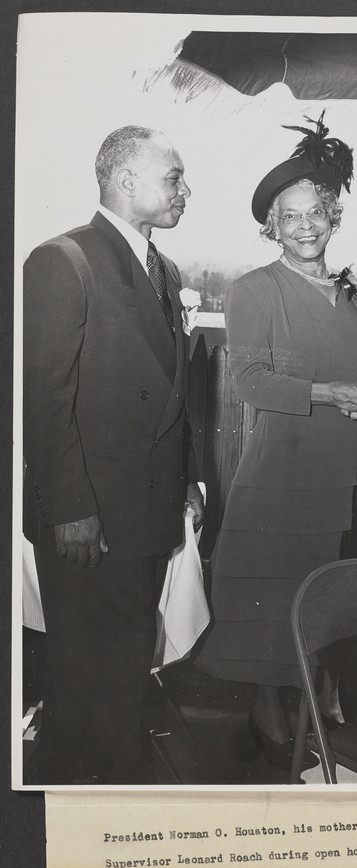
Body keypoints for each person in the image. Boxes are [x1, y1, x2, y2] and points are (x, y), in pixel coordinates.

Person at [195, 114, 357, 771]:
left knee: (322, 609)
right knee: (275, 613)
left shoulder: (351, 294)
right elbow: (250, 381)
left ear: (334, 219)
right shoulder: (255, 290)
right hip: (281, 482)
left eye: (317, 214)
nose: (305, 227)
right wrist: (331, 394)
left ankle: (319, 716)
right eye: (291, 217)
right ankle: (276, 729)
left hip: (342, 482)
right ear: (271, 226)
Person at [23, 125, 205, 784]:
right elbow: (44, 402)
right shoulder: (62, 260)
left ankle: (114, 785)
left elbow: (174, 396)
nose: (185, 191)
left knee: (123, 674)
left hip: (146, 515)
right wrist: (70, 509)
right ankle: (69, 806)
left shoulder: (165, 270)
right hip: (88, 521)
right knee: (84, 685)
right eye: (173, 177)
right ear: (126, 182)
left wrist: (187, 479)